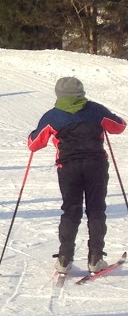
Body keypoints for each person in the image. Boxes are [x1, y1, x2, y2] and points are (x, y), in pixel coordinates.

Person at [28, 75, 125, 274]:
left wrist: (33, 133)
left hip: (68, 168)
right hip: (96, 165)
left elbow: (33, 144)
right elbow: (119, 127)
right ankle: (95, 258)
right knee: (96, 209)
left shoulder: (52, 116)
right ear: (81, 92)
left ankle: (64, 259)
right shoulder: (96, 110)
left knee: (71, 210)